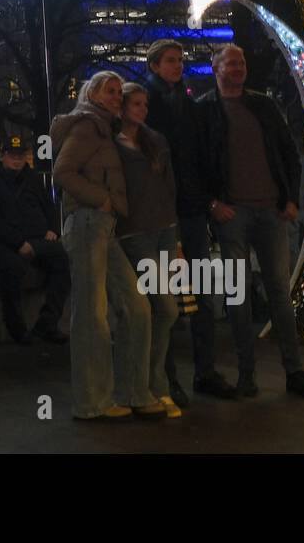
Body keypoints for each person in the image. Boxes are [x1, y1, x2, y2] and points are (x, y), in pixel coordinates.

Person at [198, 44, 304, 401]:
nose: (239, 68)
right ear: (216, 68)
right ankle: (246, 373)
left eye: (242, 62)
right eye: (231, 63)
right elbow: (195, 164)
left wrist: (289, 200)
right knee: (239, 297)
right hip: (233, 214)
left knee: (280, 295)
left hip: (271, 212)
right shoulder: (205, 111)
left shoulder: (264, 106)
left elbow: (289, 152)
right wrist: (213, 204)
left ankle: (295, 371)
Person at [52, 72, 165, 421]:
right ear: (94, 94)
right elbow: (63, 172)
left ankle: (133, 391)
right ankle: (93, 402)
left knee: (136, 306)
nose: (117, 97)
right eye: (110, 91)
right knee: (91, 315)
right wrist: (102, 200)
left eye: (119, 91)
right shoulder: (88, 126)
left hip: (104, 226)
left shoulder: (103, 128)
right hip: (89, 223)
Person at [144, 39, 235, 402]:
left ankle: (203, 370)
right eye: (170, 61)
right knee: (164, 296)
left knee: (199, 292)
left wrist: (206, 199)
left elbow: (202, 156)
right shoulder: (147, 104)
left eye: (180, 60)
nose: (177, 66)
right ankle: (167, 377)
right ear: (154, 65)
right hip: (162, 210)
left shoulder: (189, 105)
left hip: (191, 208)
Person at [0, 135, 71, 347]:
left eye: (20, 155)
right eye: (12, 155)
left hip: (31, 238)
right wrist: (18, 242)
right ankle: (16, 327)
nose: (17, 159)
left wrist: (52, 229)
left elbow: (49, 206)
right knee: (12, 267)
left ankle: (48, 322)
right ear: (2, 156)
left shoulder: (32, 178)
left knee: (61, 260)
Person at [115, 82, 183, 418]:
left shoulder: (155, 141)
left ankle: (147, 384)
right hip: (136, 233)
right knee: (165, 308)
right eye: (136, 104)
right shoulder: (113, 145)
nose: (142, 110)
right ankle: (153, 385)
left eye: (145, 104)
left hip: (164, 230)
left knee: (162, 310)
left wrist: (178, 237)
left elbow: (169, 188)